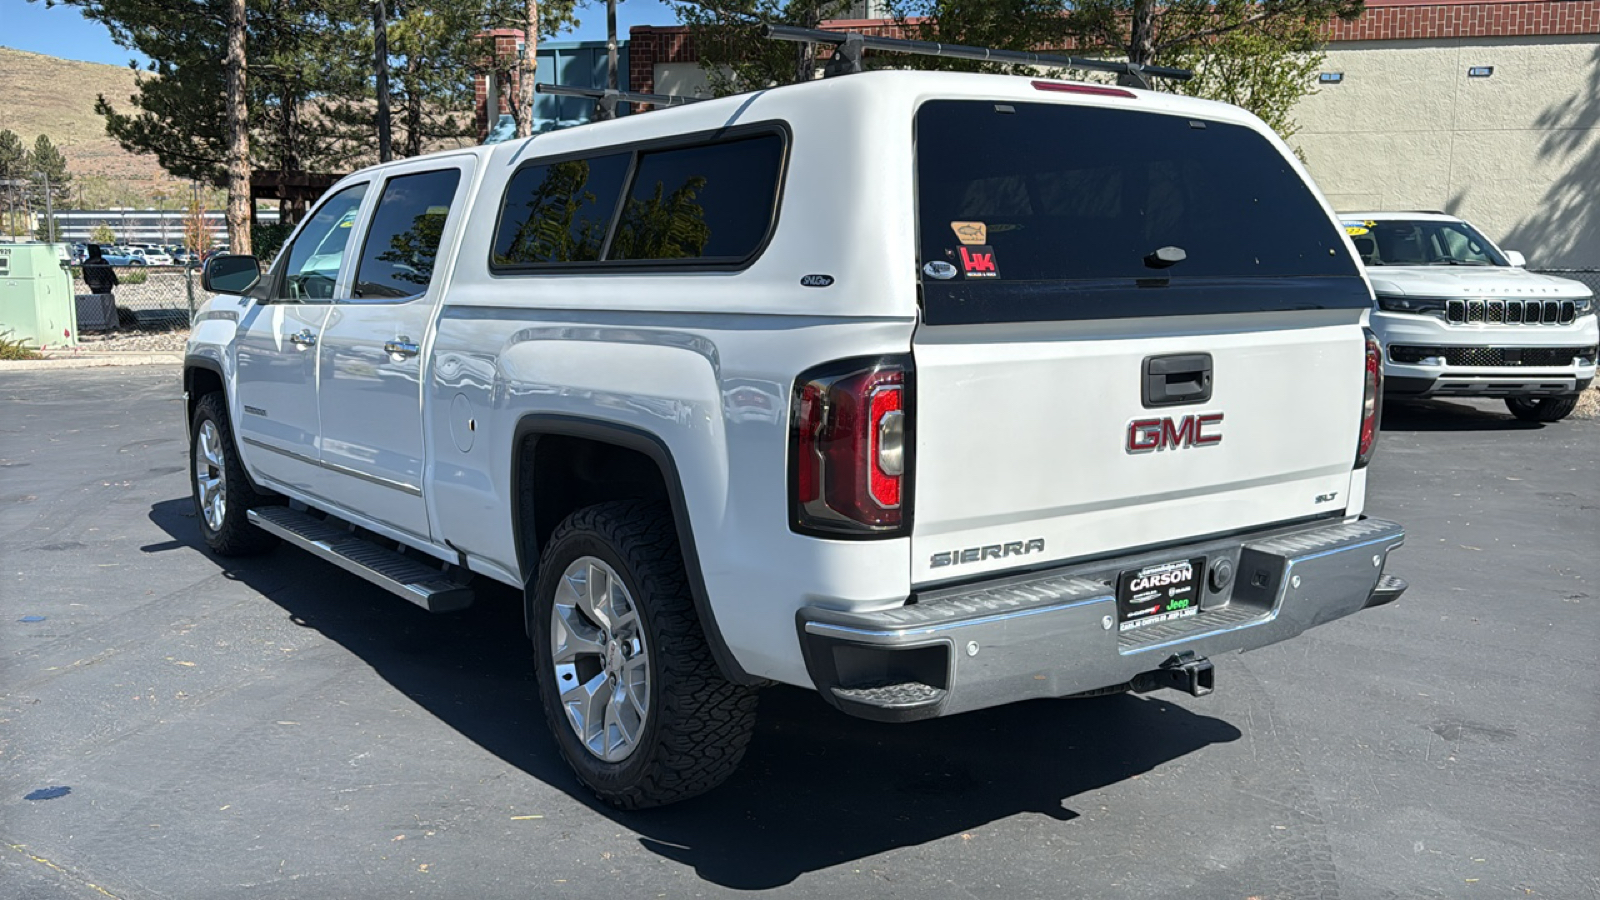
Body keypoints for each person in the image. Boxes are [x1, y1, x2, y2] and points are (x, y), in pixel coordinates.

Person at [80, 244, 122, 330]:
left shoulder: (87, 263)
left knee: (98, 302)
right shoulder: (102, 261)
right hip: (105, 285)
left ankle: (102, 321)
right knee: (107, 304)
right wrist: (115, 281)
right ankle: (109, 322)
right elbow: (109, 272)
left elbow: (85, 276)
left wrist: (88, 282)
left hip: (93, 285)